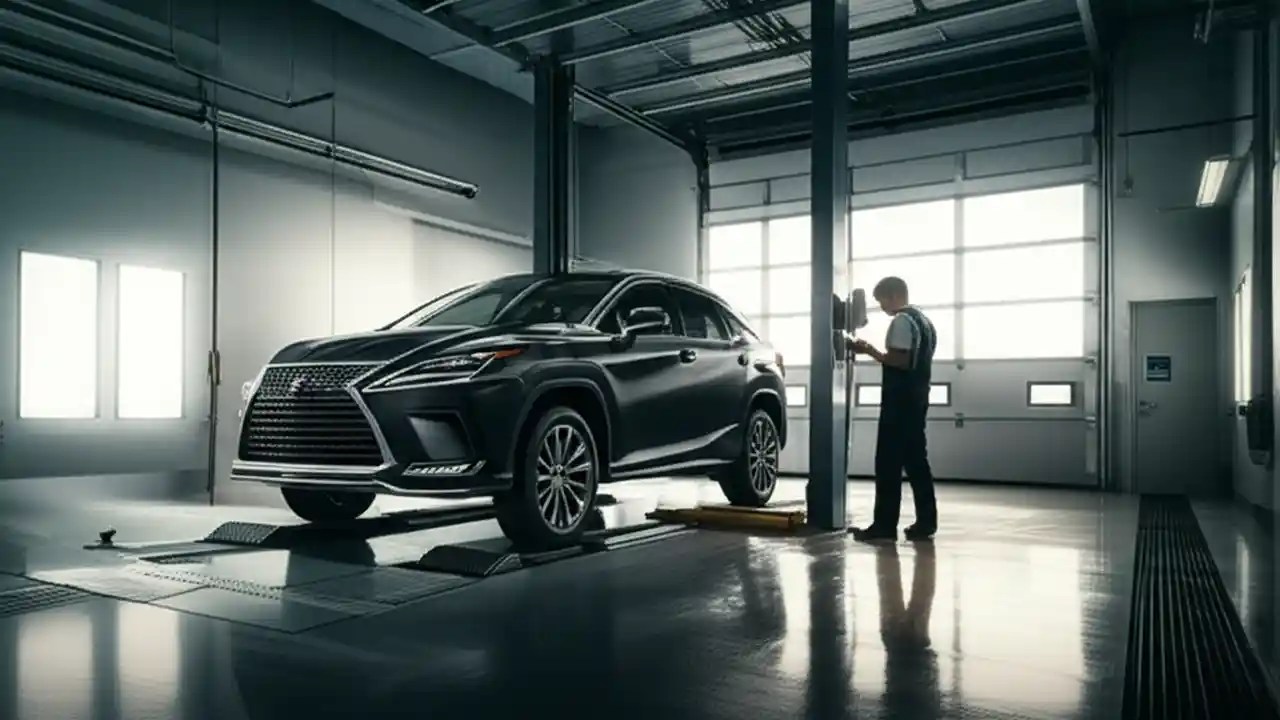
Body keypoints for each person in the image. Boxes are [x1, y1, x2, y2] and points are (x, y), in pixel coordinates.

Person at [849, 276, 938, 542]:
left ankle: (884, 526)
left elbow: (899, 360)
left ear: (895, 296)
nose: (883, 308)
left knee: (887, 464)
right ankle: (926, 522)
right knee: (916, 463)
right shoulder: (925, 322)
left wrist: (868, 349)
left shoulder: (901, 321)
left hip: (899, 404)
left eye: (882, 301)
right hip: (918, 399)